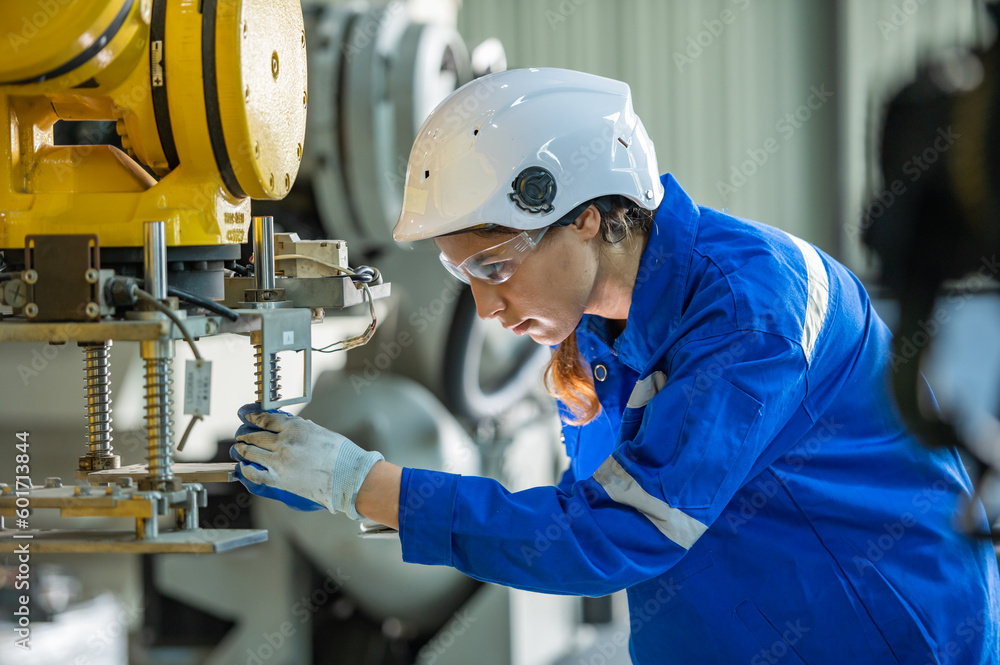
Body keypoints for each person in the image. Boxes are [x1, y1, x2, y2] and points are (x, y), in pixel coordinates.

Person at [230, 68, 1000, 663]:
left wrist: (365, 485)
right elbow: (592, 517)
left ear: (589, 219)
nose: (487, 310)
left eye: (495, 267)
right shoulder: (599, 332)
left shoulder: (750, 309)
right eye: (467, 280)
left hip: (882, 635)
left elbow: (616, 532)